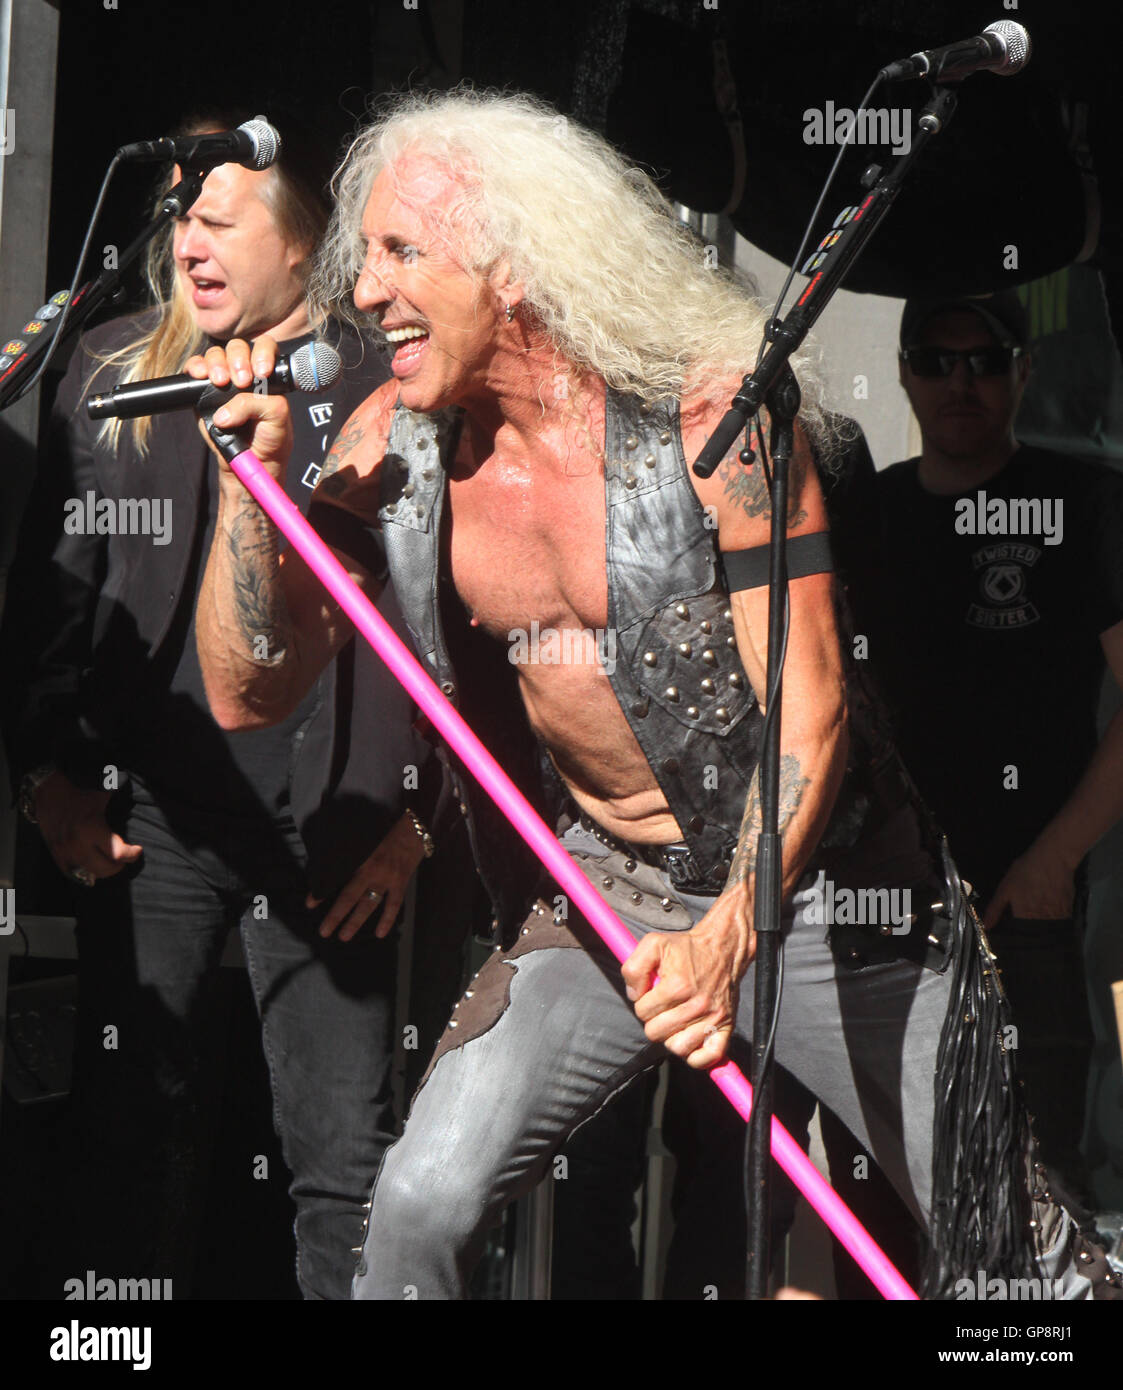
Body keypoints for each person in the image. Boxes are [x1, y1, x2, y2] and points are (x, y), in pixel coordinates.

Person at [189, 90, 1118, 1300]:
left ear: (514, 261)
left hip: (836, 893)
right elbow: (246, 692)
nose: (365, 292)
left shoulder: (715, 409)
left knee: (1014, 1270)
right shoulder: (394, 441)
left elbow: (813, 701)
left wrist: (734, 928)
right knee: (415, 1208)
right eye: (368, 257)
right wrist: (246, 504)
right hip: (605, 891)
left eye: (404, 252)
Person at [0, 109, 458, 1300]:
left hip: (335, 826)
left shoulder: (390, 390)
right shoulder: (108, 372)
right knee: (123, 1122)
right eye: (181, 222)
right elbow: (50, 613)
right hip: (153, 820)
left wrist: (420, 820)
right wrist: (42, 780)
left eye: (221, 220)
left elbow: (446, 631)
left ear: (306, 244)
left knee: (340, 1153)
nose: (191, 243)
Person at [848, 290, 1123, 1205]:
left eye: (986, 360)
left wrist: (1055, 859)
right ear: (903, 374)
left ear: (1024, 372)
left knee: (1037, 1181)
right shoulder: (868, 511)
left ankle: (1018, 1354)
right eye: (935, 359)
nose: (959, 381)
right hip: (881, 899)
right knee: (881, 1180)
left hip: (1023, 907)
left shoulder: (1082, 502)